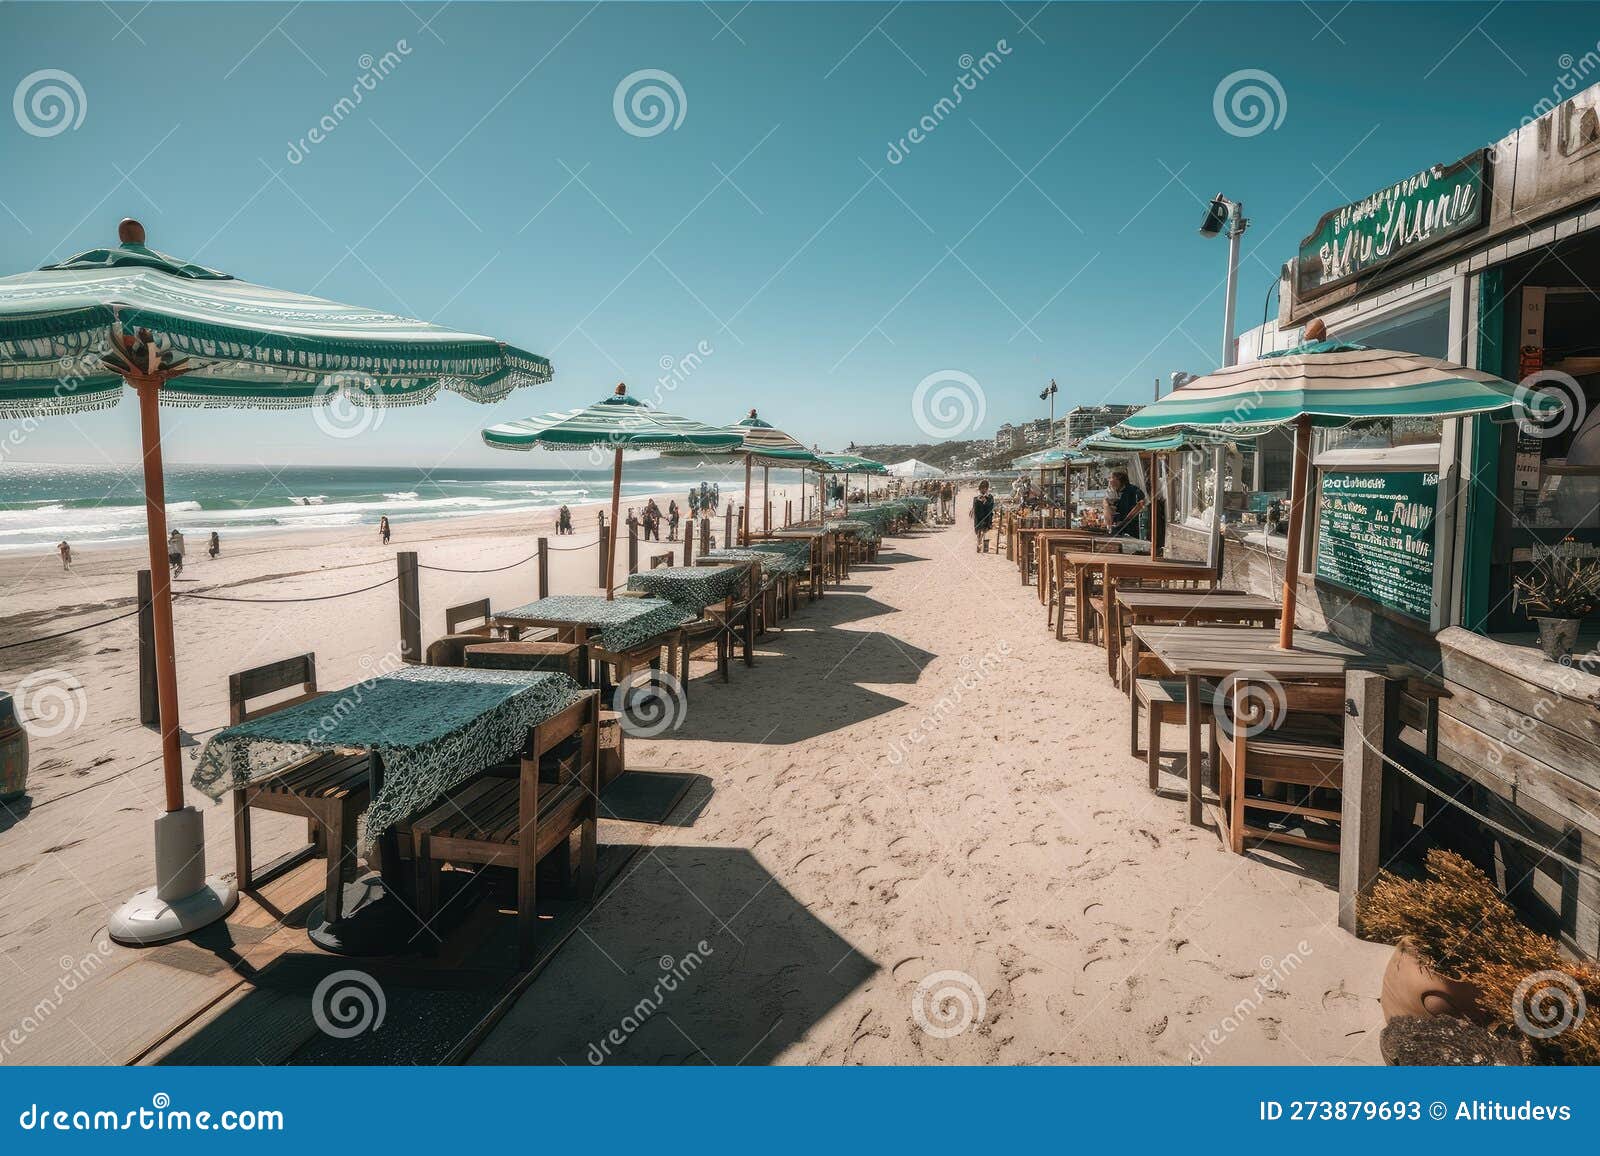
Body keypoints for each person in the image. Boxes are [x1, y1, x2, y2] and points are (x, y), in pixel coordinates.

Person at [1107, 470, 1147, 538]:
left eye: (1111, 477)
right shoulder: (1117, 492)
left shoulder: (1133, 491)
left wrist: (1123, 523)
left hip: (1132, 530)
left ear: (1118, 479)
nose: (1109, 480)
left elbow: (1139, 506)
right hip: (1122, 528)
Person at [971, 480, 995, 553]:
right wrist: (979, 501)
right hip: (979, 517)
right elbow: (975, 508)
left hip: (987, 517)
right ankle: (978, 544)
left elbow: (991, 506)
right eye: (982, 488)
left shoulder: (990, 497)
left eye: (985, 488)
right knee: (979, 532)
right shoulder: (976, 498)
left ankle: (984, 547)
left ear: (987, 488)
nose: (983, 490)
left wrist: (985, 501)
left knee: (985, 532)